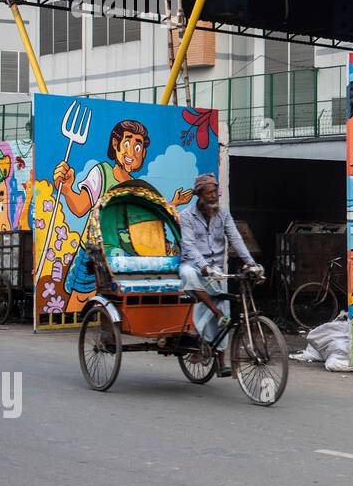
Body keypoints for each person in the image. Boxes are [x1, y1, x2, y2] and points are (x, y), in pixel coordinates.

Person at [54, 118, 190, 313]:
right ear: (115, 144)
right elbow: (80, 207)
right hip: (95, 253)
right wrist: (67, 189)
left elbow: (145, 216)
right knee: (81, 299)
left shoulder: (137, 186)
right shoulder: (101, 173)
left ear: (143, 153)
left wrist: (173, 204)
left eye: (137, 147)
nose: (131, 152)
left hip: (125, 256)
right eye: (127, 143)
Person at [179, 174, 259, 376]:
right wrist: (204, 266)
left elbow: (236, 239)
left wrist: (251, 262)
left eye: (215, 192)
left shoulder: (223, 214)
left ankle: (221, 360)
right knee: (189, 275)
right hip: (194, 266)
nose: (214, 196)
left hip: (217, 270)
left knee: (226, 309)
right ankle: (215, 313)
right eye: (210, 193)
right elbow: (188, 246)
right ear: (200, 195)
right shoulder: (186, 216)